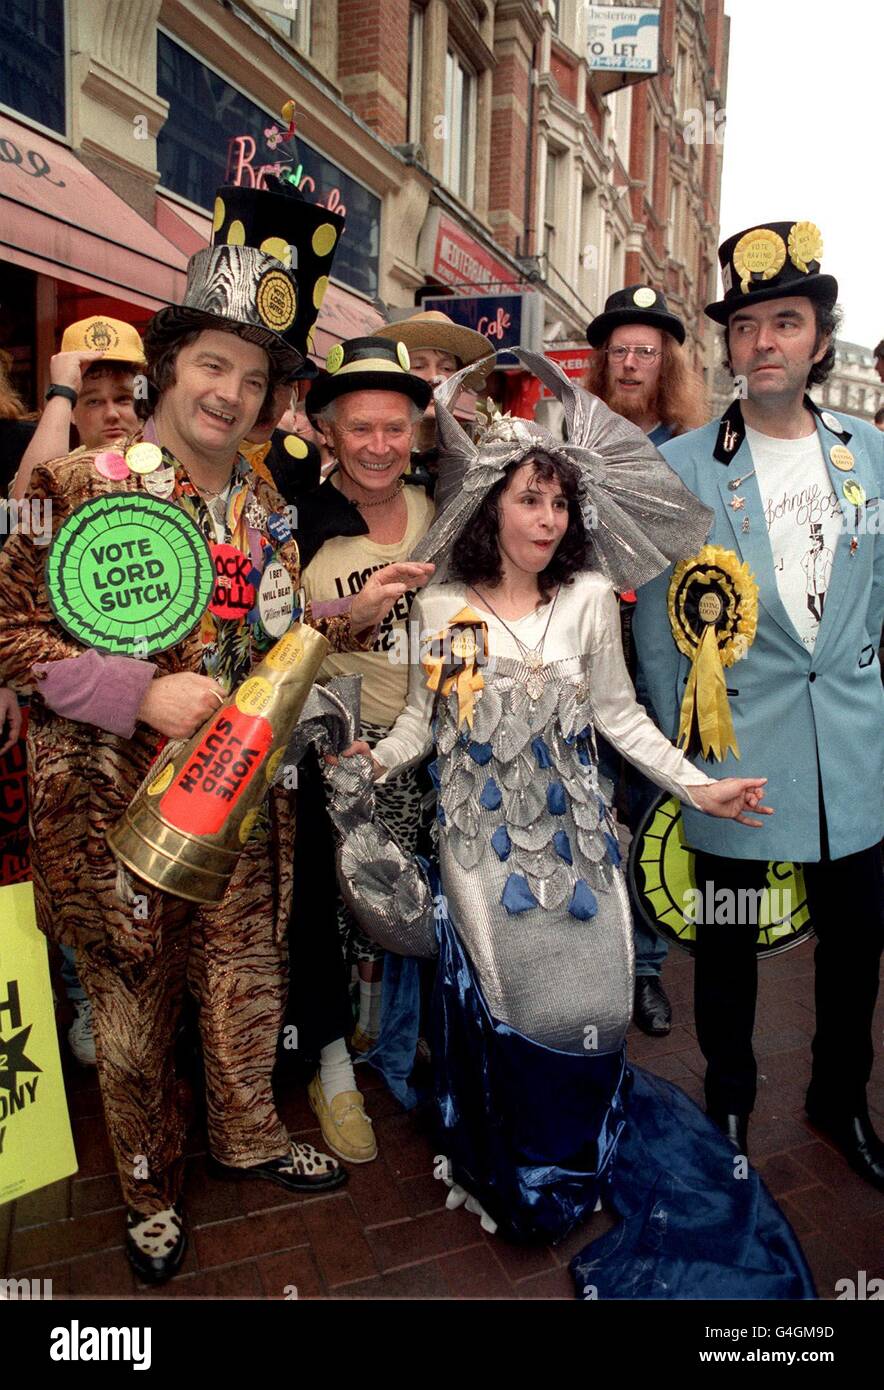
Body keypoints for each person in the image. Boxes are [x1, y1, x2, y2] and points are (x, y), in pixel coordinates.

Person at [0, 185, 431, 1284]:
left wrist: (348, 608)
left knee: (244, 982)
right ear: (168, 366)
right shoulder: (71, 484)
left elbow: (265, 632)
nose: (229, 394)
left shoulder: (258, 504)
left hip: (242, 806)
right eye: (211, 366)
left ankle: (244, 1133)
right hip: (115, 817)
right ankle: (146, 1188)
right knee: (136, 1010)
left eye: (253, 378)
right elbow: (10, 633)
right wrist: (132, 696)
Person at [330, 352, 813, 1297]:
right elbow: (427, 731)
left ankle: (575, 1150)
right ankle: (515, 1163)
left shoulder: (592, 599)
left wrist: (696, 788)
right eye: (531, 501)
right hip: (478, 846)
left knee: (587, 1008)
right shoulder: (439, 607)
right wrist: (371, 759)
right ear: (490, 507)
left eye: (560, 505)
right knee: (507, 1008)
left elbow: (621, 716)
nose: (549, 521)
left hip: (579, 843)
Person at [633, 221, 884, 1185]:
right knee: (729, 942)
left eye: (787, 321)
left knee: (857, 944)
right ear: (730, 345)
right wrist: (688, 758)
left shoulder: (872, 455)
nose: (765, 342)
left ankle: (839, 1100)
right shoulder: (686, 465)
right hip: (736, 752)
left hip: (852, 757)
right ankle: (729, 1102)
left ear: (820, 339)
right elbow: (659, 625)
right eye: (747, 326)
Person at [285, 337, 433, 1165]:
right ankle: (330, 1059)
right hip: (329, 751)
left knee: (400, 905)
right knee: (327, 910)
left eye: (394, 427)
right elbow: (266, 640)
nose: (379, 445)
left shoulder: (441, 506)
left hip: (420, 746)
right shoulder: (297, 518)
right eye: (360, 428)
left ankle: (392, 1034)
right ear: (329, 432)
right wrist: (351, 615)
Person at [584, 286, 707, 1036]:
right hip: (583, 647)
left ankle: (646, 968)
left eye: (647, 352)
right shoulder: (574, 433)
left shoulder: (692, 449)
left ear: (667, 364)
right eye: (620, 351)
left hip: (661, 653)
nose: (631, 364)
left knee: (659, 803)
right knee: (585, 798)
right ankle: (594, 957)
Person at [11, 316, 144, 502]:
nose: (112, 414)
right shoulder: (63, 470)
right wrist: (62, 392)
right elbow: (29, 510)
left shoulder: (170, 463)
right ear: (71, 412)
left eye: (123, 399)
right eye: (93, 402)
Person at [375, 309, 492, 490]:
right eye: (419, 366)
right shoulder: (372, 455)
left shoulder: (477, 466)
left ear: (459, 382)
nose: (434, 377)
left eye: (446, 368)